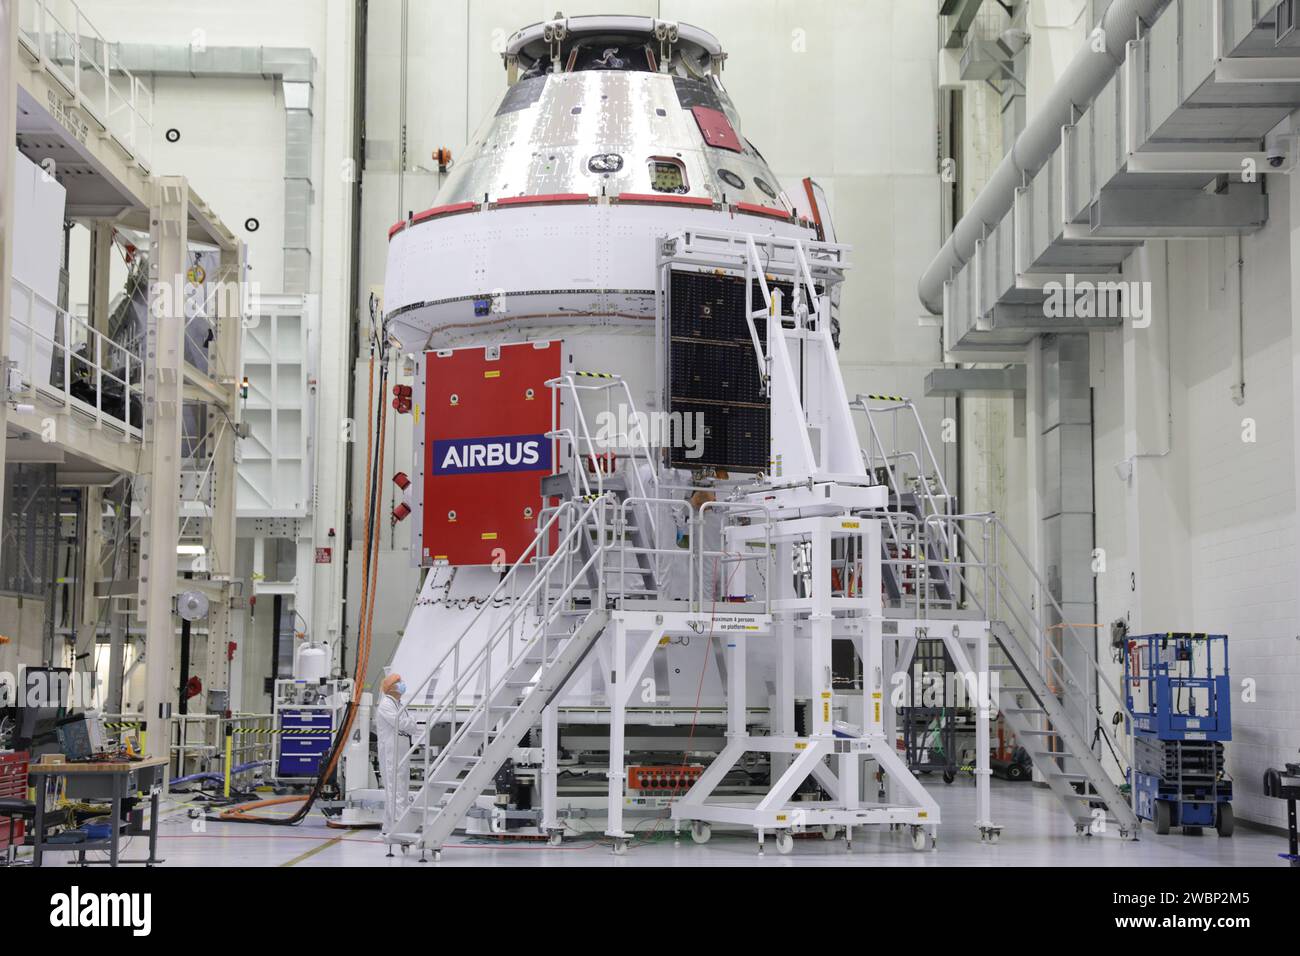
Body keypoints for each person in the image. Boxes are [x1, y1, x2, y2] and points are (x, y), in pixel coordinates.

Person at [376, 672, 419, 834]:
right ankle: (400, 827)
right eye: (399, 682)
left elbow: (410, 726)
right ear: (391, 687)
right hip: (390, 751)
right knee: (395, 789)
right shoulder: (386, 704)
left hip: (401, 750)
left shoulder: (398, 704)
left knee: (399, 787)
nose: (402, 684)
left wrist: (410, 723)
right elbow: (402, 723)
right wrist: (410, 723)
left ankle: (387, 828)